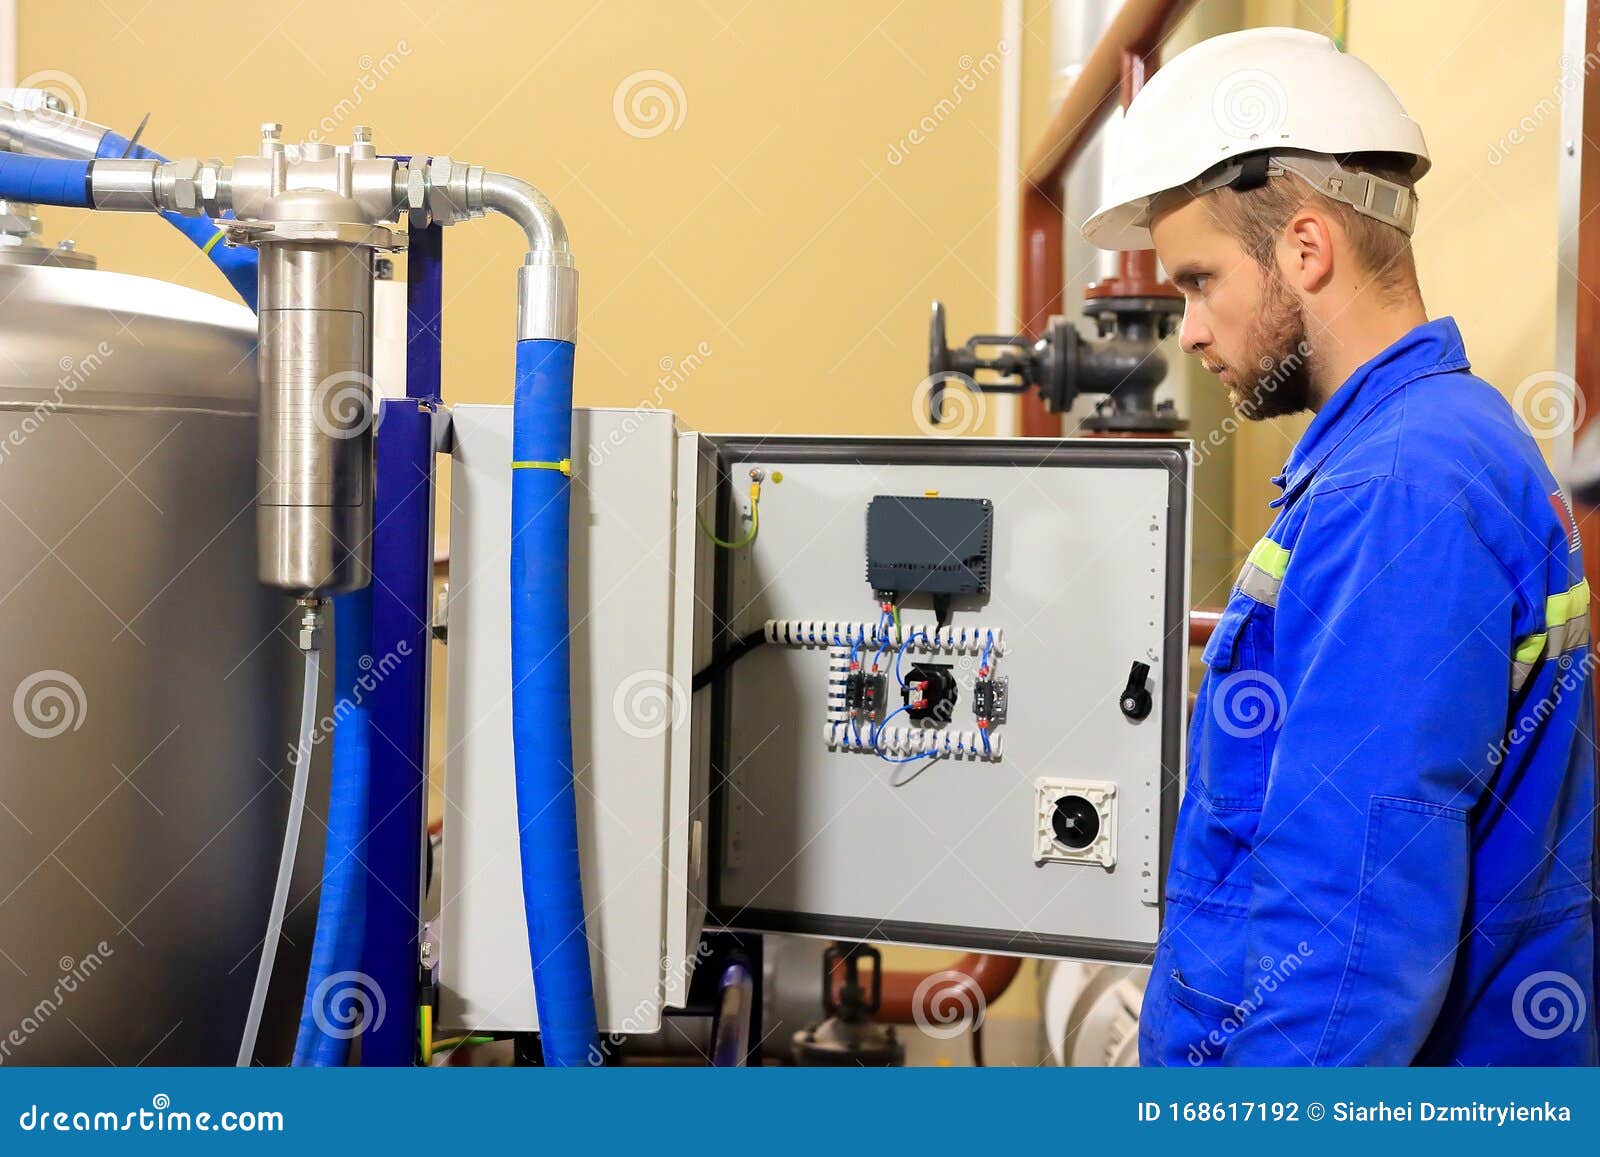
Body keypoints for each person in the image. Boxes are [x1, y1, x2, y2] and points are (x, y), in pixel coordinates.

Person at [1083, 26, 1598, 1065]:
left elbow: (1345, 945)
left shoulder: (1399, 491)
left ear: (1305, 250)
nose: (1187, 329)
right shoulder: (1424, 447)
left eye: (1197, 279)